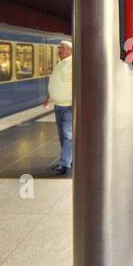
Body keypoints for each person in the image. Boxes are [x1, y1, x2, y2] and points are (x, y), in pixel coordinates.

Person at [45, 39, 73, 175]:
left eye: (62, 48)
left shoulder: (73, 64)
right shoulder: (60, 63)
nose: (60, 50)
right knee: (62, 135)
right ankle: (69, 158)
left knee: (67, 135)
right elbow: (56, 82)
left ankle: (64, 163)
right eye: (60, 48)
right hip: (58, 105)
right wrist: (49, 96)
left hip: (69, 106)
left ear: (70, 50)